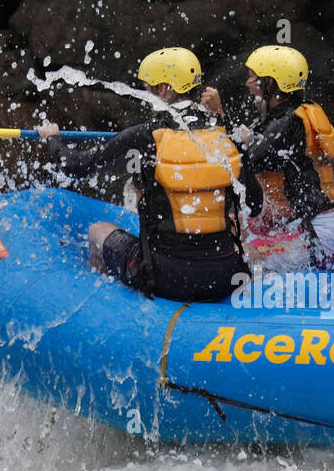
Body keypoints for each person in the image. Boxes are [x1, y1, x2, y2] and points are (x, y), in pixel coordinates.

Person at [36, 47, 260, 302]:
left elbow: (74, 165)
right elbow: (254, 204)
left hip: (167, 279)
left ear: (163, 90)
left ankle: (104, 309)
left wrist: (53, 139)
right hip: (225, 277)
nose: (144, 96)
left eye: (147, 89)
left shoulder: (144, 135)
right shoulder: (225, 135)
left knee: (98, 230)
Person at [200, 45, 334, 272]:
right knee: (234, 222)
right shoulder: (291, 114)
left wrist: (220, 115)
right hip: (321, 230)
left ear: (270, 83)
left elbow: (240, 164)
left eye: (252, 77)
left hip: (319, 239)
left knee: (232, 254)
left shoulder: (287, 123)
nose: (247, 83)